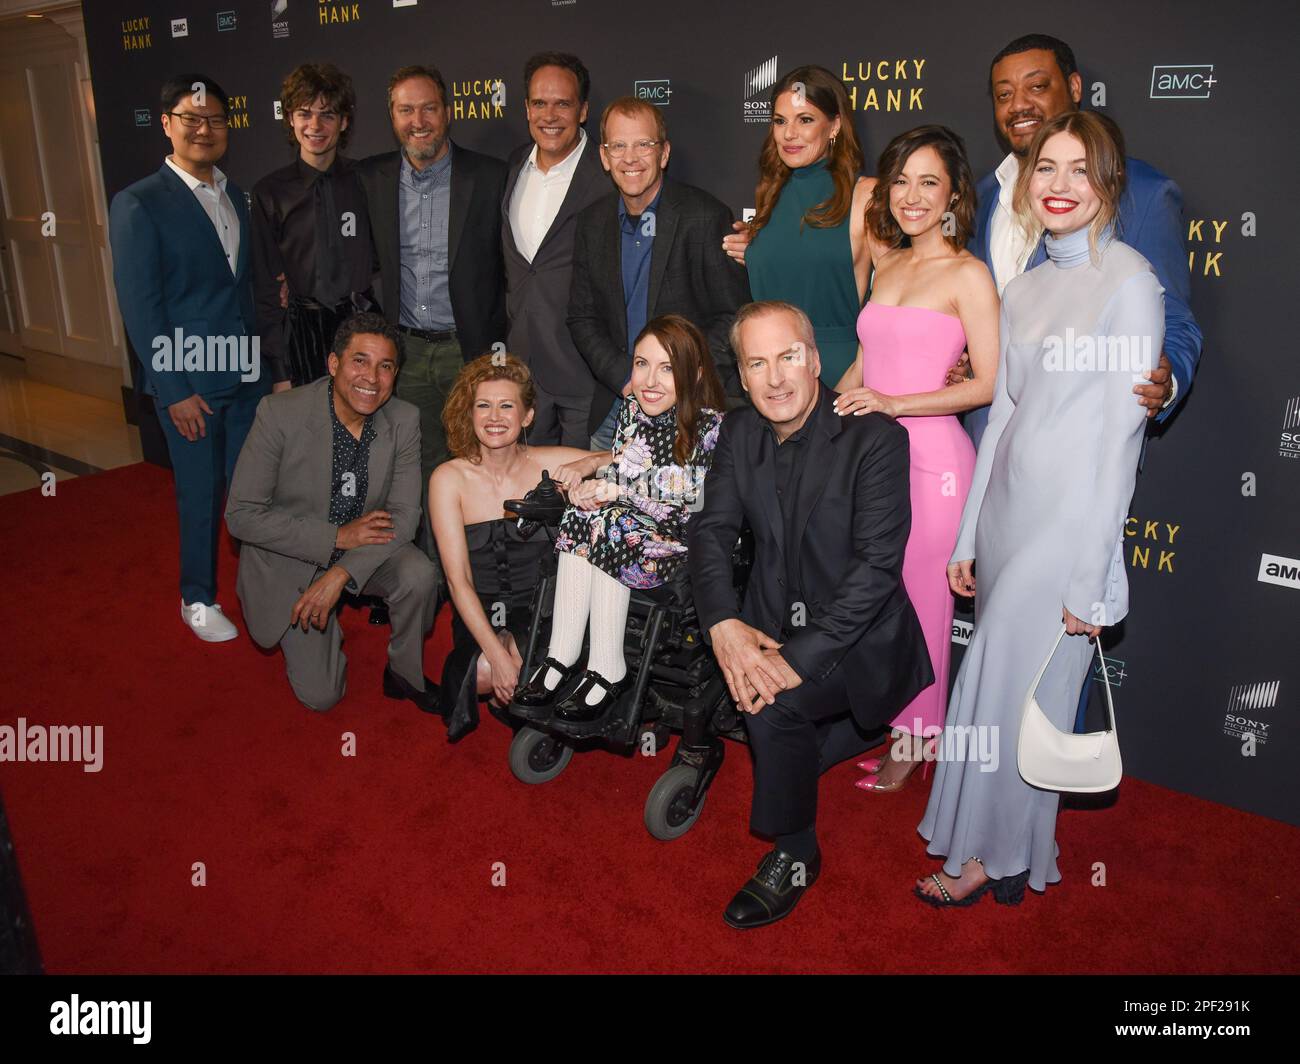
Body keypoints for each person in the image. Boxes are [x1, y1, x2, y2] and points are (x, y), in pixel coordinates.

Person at [915, 112, 1161, 906]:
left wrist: (1094, 577)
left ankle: (990, 855)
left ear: (1109, 182)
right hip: (1009, 516)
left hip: (1068, 526)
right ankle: (997, 848)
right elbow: (1004, 420)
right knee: (990, 693)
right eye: (1044, 169)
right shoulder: (1020, 288)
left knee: (1023, 696)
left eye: (1079, 170)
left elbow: (1121, 447)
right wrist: (969, 531)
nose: (1058, 185)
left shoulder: (1130, 283)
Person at [688, 301, 933, 929]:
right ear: (740, 377)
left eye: (789, 356)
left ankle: (795, 853)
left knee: (768, 701)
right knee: (747, 691)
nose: (775, 379)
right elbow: (712, 533)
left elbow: (876, 572)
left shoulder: (875, 438)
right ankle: (822, 744)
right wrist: (723, 625)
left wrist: (792, 664)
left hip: (860, 643)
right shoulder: (738, 434)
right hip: (773, 617)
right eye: (758, 364)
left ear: (817, 360)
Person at [831, 126, 999, 793]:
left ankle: (915, 740)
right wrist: (819, 415)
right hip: (874, 460)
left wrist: (896, 404)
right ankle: (888, 720)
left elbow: (987, 382)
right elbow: (864, 365)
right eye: (900, 180)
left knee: (925, 602)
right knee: (881, 598)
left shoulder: (968, 273)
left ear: (954, 191)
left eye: (929, 182)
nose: (911, 196)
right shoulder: (889, 263)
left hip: (935, 462)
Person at [955, 33, 1200, 447]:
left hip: (1082, 440)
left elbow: (1174, 319)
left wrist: (1167, 378)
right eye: (1004, 94)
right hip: (983, 435)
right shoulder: (979, 200)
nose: (1018, 105)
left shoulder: (1142, 193)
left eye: (1036, 86)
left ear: (1074, 88)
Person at [109, 73, 270, 643]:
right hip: (191, 382)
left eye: (216, 120)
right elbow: (142, 307)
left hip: (247, 377)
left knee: (252, 493)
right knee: (199, 495)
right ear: (167, 125)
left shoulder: (236, 195)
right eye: (191, 119)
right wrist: (172, 389)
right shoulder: (139, 204)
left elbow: (242, 290)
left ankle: (263, 592)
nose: (204, 130)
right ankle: (197, 599)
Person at [513, 315, 726, 723]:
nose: (650, 379)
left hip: (676, 541)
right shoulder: (631, 409)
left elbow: (689, 494)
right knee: (584, 513)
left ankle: (609, 667)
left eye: (667, 368)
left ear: (694, 374)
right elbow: (622, 470)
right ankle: (561, 655)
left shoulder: (710, 425)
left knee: (608, 519)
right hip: (624, 526)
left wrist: (614, 491)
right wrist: (589, 486)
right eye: (642, 363)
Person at [225, 313, 440, 714]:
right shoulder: (279, 414)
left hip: (365, 550)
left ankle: (402, 672)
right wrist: (335, 539)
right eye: (360, 361)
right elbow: (241, 515)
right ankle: (323, 630)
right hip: (293, 556)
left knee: (419, 574)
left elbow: (406, 515)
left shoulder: (403, 420)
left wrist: (341, 573)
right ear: (334, 364)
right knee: (322, 697)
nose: (372, 378)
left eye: (385, 366)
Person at [354, 63, 508, 544]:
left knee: (479, 462)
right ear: (392, 116)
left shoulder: (490, 176)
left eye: (428, 108)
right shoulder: (370, 178)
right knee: (415, 467)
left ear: (448, 112)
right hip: (405, 352)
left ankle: (483, 570)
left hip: (471, 348)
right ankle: (427, 573)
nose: (417, 120)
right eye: (405, 110)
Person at [429, 354, 598, 742]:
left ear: (527, 416)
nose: (494, 416)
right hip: (479, 608)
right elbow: (458, 583)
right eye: (483, 405)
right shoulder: (448, 478)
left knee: (539, 669)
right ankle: (504, 668)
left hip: (540, 607)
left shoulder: (548, 463)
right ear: (469, 414)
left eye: (507, 405)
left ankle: (521, 658)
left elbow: (623, 460)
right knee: (491, 670)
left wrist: (590, 464)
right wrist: (499, 654)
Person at [568, 95, 750, 449]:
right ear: (604, 157)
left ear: (663, 153)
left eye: (643, 144)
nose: (630, 158)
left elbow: (733, 316)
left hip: (689, 412)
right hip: (614, 415)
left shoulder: (704, 216)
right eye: (618, 146)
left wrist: (677, 376)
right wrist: (627, 378)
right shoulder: (591, 222)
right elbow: (582, 317)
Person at [741, 66, 873, 386]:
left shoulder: (866, 195)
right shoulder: (770, 195)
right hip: (769, 376)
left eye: (805, 120)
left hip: (838, 376)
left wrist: (851, 382)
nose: (789, 134)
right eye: (780, 121)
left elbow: (890, 307)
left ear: (834, 126)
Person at [503, 52, 610, 446]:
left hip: (587, 374)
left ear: (582, 111)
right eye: (539, 103)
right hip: (523, 372)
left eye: (562, 103)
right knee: (529, 498)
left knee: (584, 498)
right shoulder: (514, 166)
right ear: (526, 108)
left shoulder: (610, 174)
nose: (549, 115)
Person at [252, 63, 376, 391]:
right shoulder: (270, 192)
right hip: (301, 335)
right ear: (290, 118)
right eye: (305, 113)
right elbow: (265, 286)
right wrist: (280, 371)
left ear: (344, 121)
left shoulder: (368, 181)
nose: (315, 125)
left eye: (328, 114)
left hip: (360, 324)